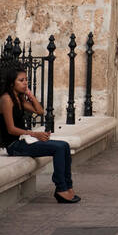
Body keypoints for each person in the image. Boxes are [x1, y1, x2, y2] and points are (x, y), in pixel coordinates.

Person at [0, 66, 80, 203]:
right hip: (14, 145)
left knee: (65, 146)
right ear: (12, 83)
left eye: (26, 80)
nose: (25, 83)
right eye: (21, 80)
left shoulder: (19, 98)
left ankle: (68, 186)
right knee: (59, 148)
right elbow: (11, 129)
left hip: (24, 141)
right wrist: (35, 134)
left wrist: (30, 95)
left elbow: (40, 111)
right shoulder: (6, 99)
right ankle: (61, 188)